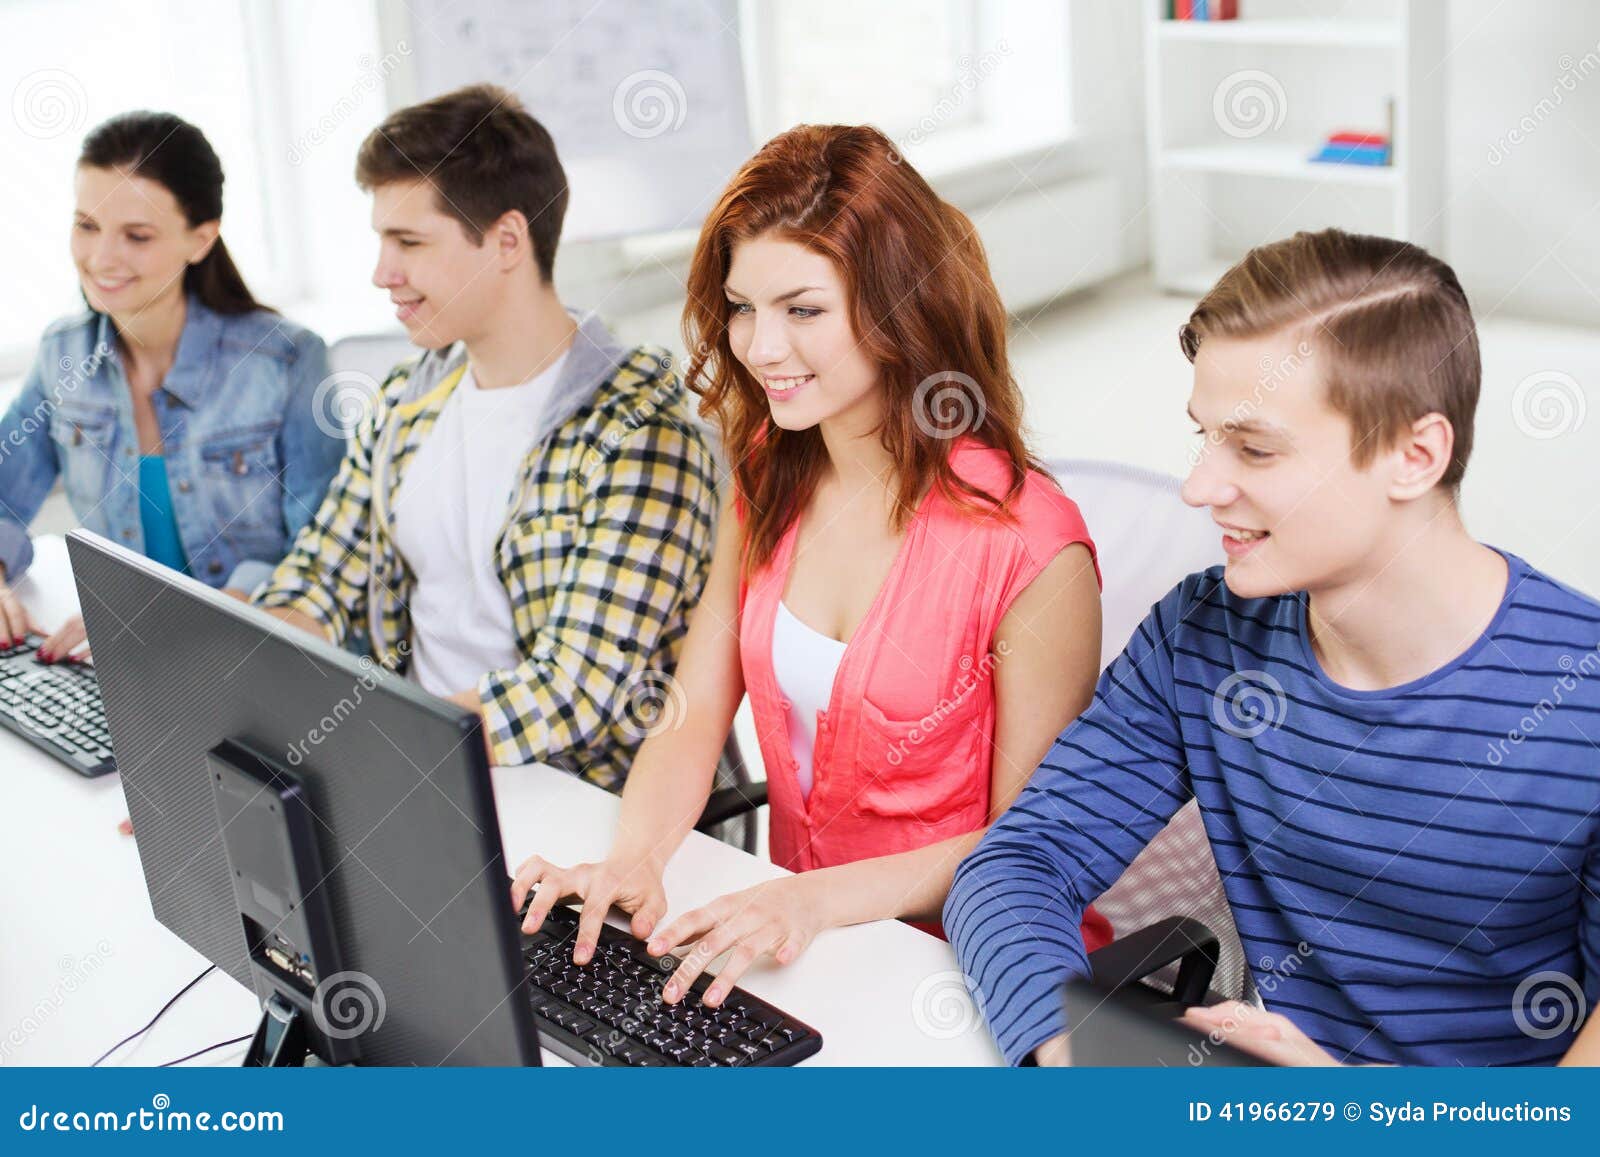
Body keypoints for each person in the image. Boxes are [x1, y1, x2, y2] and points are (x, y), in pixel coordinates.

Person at [947, 228, 1600, 1067]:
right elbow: (1022, 859)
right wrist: (1066, 1049)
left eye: (1254, 447)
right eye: (1204, 437)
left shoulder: (1580, 702)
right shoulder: (1201, 634)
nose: (1198, 487)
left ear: (1415, 454)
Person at [511, 124, 1109, 1009]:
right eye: (742, 307)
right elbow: (693, 710)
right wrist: (635, 857)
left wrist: (810, 899)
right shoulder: (768, 472)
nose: (759, 347)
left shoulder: (1032, 545)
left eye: (802, 309)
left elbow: (1023, 847)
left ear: (899, 307)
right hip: (805, 948)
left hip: (971, 977)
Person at [253, 85, 717, 786]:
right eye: (382, 240)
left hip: (567, 800)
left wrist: (365, 761)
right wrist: (232, 697)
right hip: (421, 768)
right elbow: (320, 576)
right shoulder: (407, 400)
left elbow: (573, 689)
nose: (383, 273)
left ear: (506, 241)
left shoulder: (640, 431)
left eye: (409, 242)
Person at [0, 111, 340, 661]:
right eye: (87, 225)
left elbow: (328, 551)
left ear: (200, 239)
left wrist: (189, 623)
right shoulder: (63, 354)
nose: (100, 258)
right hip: (125, 666)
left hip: (253, 661)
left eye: (136, 235)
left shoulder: (284, 359)